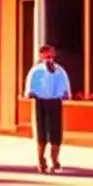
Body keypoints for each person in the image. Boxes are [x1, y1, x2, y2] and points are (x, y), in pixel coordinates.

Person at [24, 44, 71, 174]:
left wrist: (65, 94)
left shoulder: (60, 71)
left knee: (56, 133)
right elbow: (29, 89)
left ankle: (54, 160)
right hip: (41, 102)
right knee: (41, 132)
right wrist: (31, 93)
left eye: (52, 56)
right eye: (48, 56)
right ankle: (41, 160)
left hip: (55, 102)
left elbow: (66, 88)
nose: (50, 58)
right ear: (42, 55)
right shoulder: (35, 71)